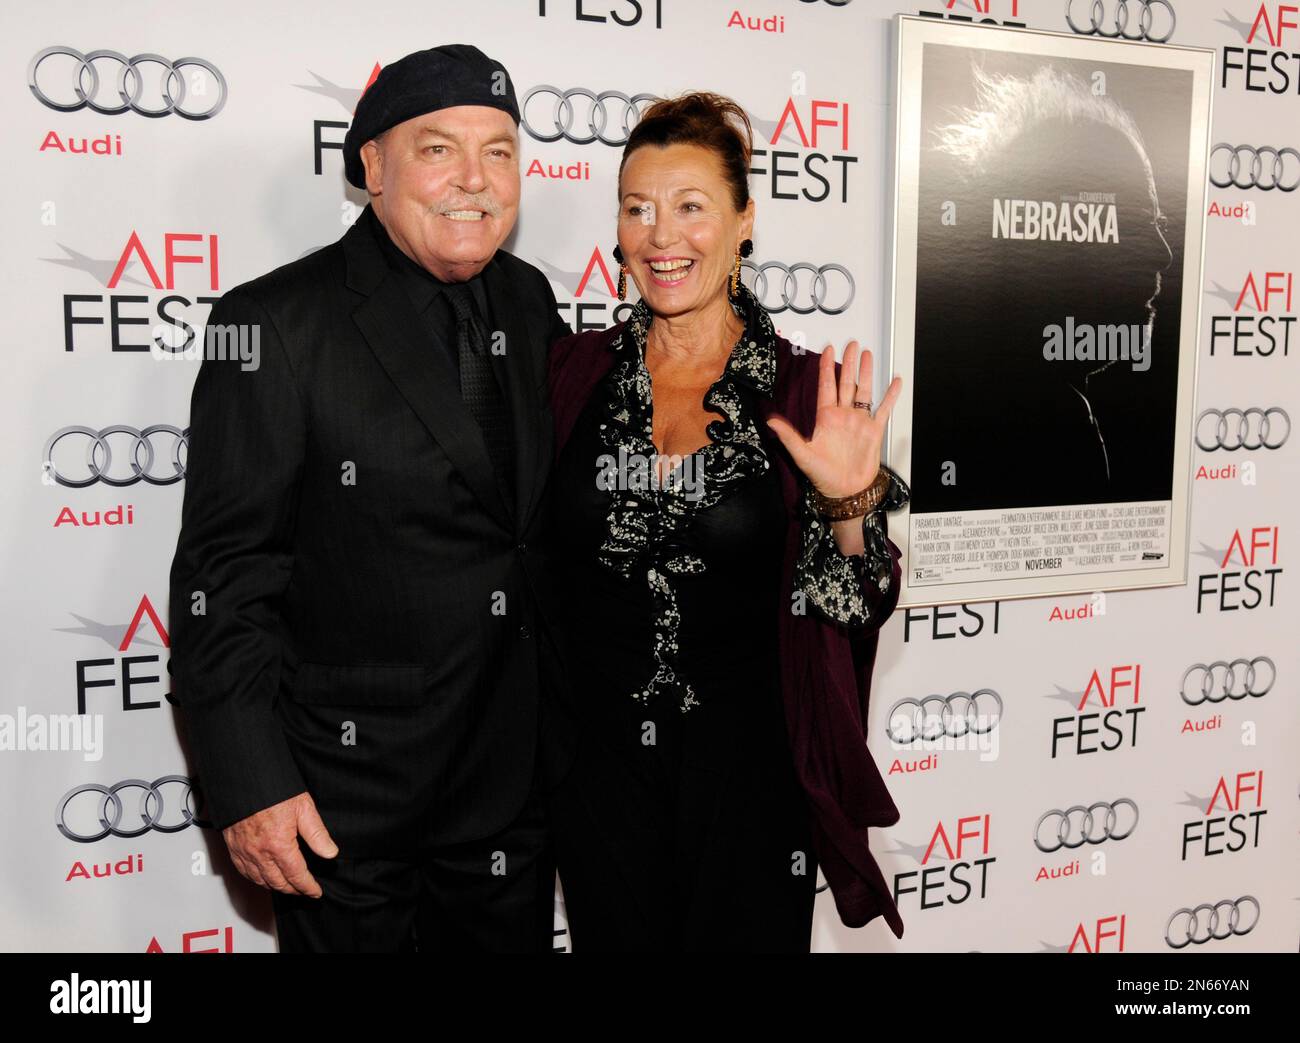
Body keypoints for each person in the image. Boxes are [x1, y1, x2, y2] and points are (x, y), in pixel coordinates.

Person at [168, 43, 572, 952]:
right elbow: (223, 579)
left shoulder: (530, 300)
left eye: (500, 151)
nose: (475, 179)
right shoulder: (272, 323)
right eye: (439, 149)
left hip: (512, 801)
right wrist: (250, 782)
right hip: (344, 811)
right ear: (373, 165)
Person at [540, 92, 911, 951]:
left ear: (746, 222)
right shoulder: (568, 373)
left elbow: (860, 604)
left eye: (691, 207)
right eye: (638, 208)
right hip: (596, 776)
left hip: (750, 777)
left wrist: (850, 505)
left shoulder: (804, 391)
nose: (661, 235)